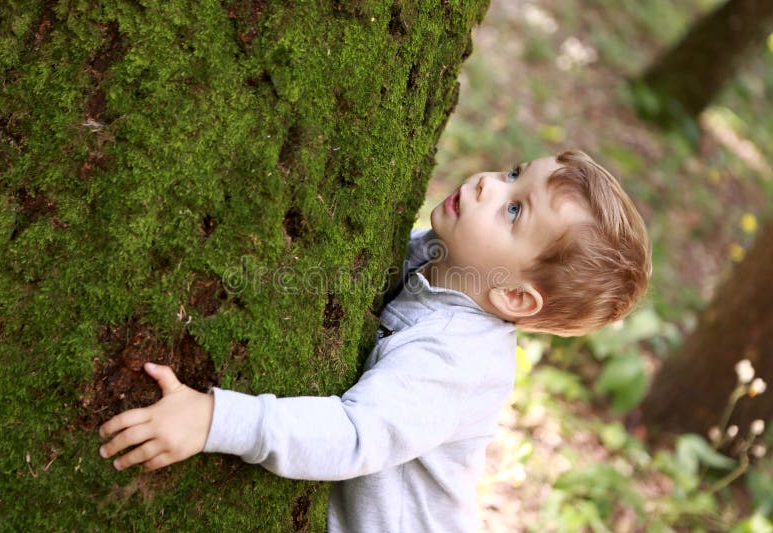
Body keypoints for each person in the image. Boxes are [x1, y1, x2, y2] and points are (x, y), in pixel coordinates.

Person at [98, 150, 651, 532]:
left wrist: (216, 420)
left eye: (513, 210)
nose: (489, 183)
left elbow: (354, 435)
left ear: (515, 299)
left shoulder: (452, 359)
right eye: (514, 174)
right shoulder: (444, 260)